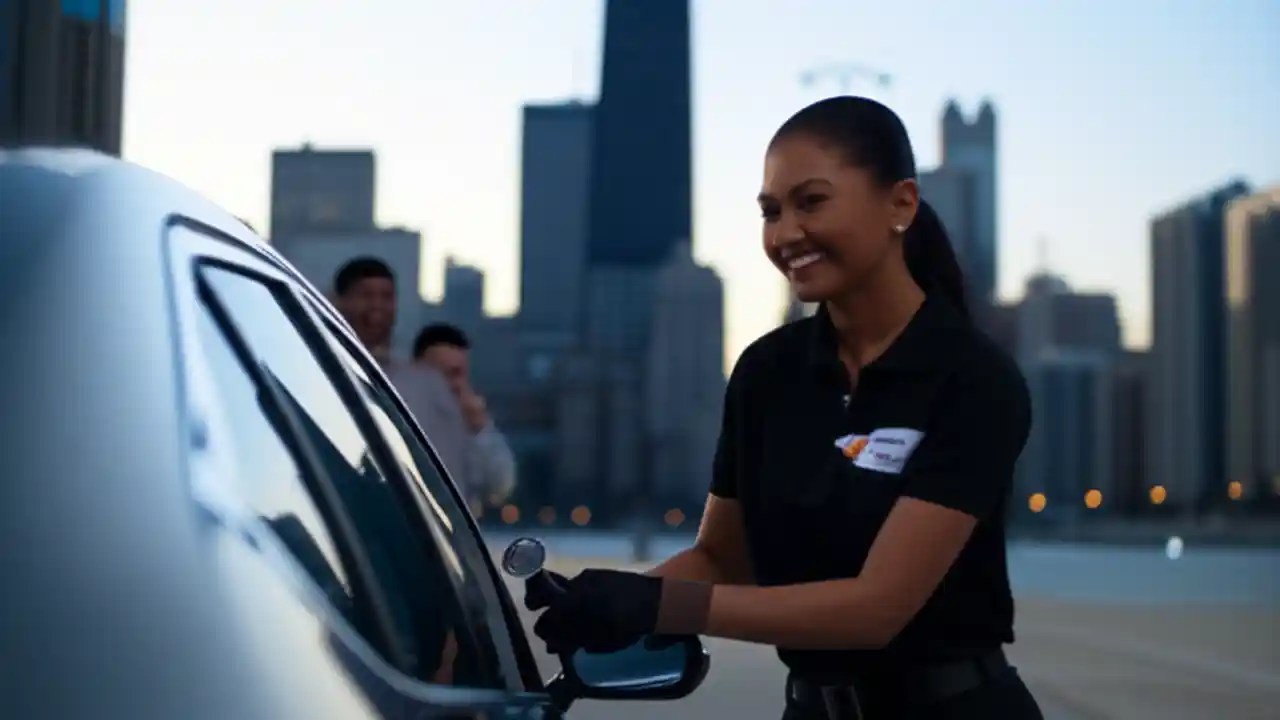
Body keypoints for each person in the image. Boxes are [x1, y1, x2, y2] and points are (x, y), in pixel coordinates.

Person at [524, 96, 1043, 719]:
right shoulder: (768, 372)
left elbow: (877, 609)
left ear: (900, 205)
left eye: (812, 202)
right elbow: (723, 557)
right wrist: (607, 599)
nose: (786, 233)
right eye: (771, 211)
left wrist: (661, 606)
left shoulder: (973, 378)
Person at [331, 258, 472, 493]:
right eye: (366, 295)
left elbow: (453, 475)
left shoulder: (424, 385)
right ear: (339, 302)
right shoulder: (316, 371)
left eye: (386, 297)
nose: (377, 306)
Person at [412, 323, 517, 511]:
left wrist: (480, 429)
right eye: (439, 374)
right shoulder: (395, 422)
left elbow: (500, 488)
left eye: (457, 374)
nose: (450, 384)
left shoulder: (470, 428)